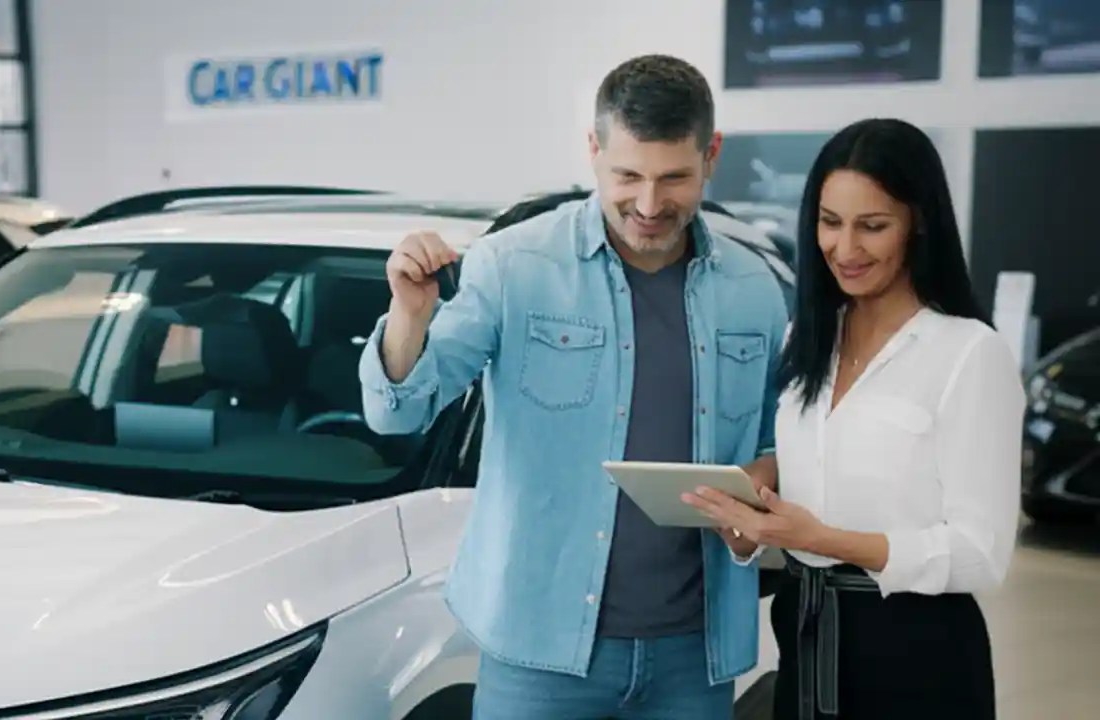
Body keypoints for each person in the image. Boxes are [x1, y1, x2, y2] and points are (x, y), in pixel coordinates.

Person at [359, 54, 789, 719]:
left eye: (674, 177)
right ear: (593, 151)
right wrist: (411, 315)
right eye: (627, 176)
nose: (649, 205)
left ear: (713, 155)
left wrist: (760, 493)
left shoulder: (753, 289)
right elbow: (398, 413)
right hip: (538, 655)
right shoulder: (511, 265)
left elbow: (773, 439)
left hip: (693, 658)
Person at [683, 118, 1025, 720]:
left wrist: (816, 538)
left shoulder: (970, 353)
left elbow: (981, 553)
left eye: (872, 226)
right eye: (830, 222)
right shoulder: (811, 337)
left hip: (919, 654)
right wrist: (757, 487)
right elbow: (823, 460)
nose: (845, 249)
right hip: (805, 636)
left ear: (919, 222)